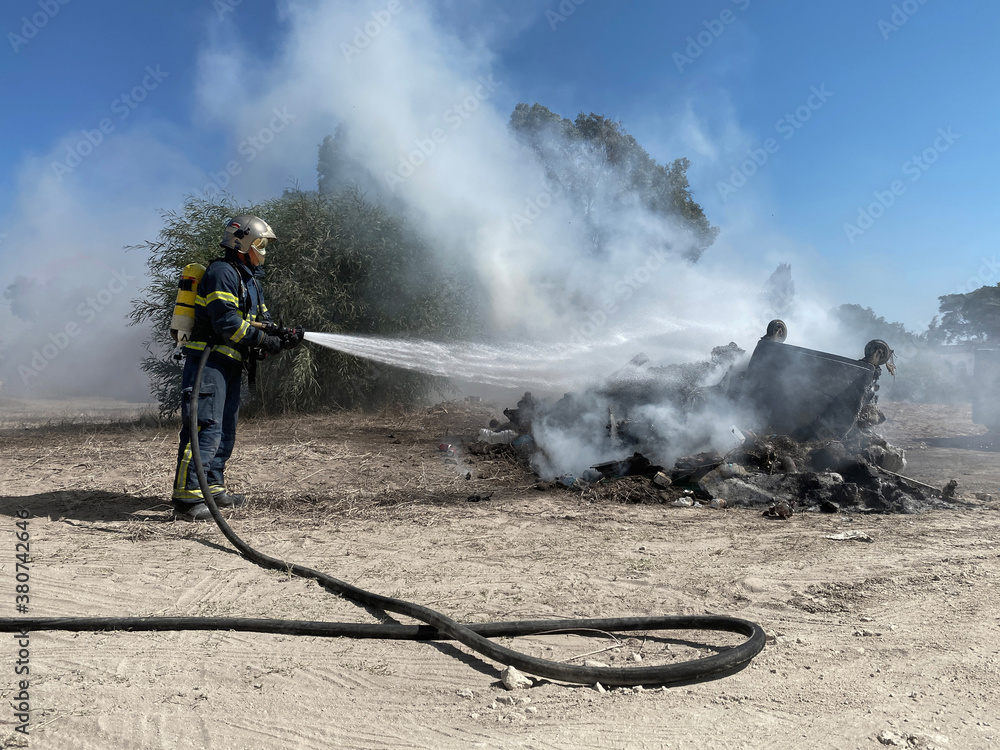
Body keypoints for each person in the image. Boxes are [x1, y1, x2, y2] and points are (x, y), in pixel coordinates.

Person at [171, 215, 302, 521]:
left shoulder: (250, 281)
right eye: (261, 244)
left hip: (230, 364)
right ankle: (187, 498)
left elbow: (262, 322)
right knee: (204, 426)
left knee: (225, 430)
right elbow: (227, 322)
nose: (264, 251)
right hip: (210, 361)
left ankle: (213, 487)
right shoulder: (221, 273)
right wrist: (263, 340)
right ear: (243, 243)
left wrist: (282, 338)